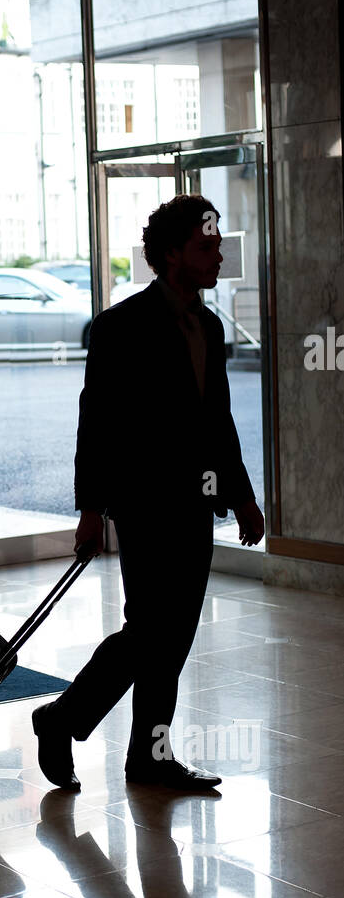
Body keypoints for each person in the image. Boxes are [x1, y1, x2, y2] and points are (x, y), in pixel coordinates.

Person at [32, 195, 265, 792]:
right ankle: (63, 719)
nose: (217, 257)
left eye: (217, 246)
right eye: (205, 247)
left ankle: (148, 755)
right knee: (152, 630)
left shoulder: (209, 327)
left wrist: (241, 496)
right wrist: (90, 510)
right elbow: (97, 423)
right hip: (144, 505)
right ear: (170, 254)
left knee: (172, 637)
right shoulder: (120, 327)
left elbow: (219, 421)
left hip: (196, 504)